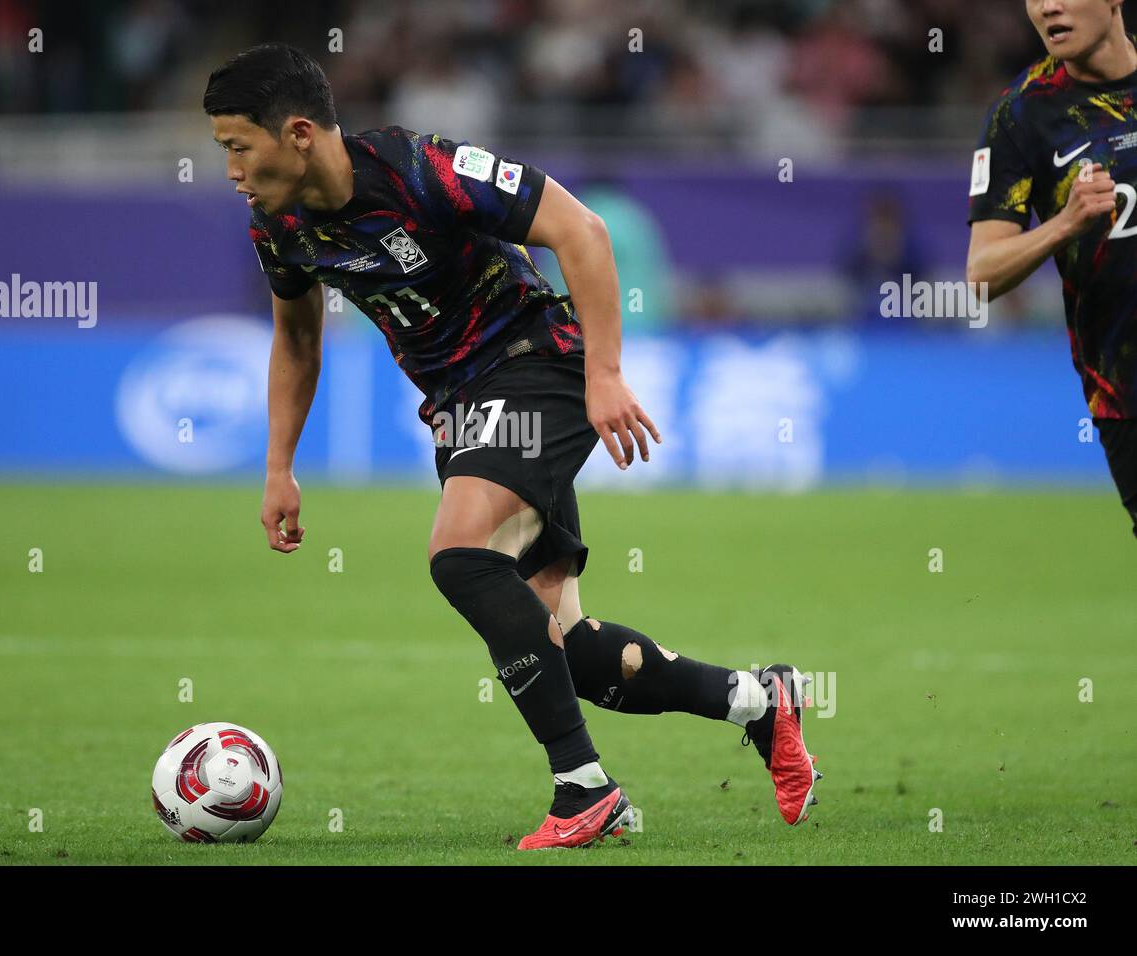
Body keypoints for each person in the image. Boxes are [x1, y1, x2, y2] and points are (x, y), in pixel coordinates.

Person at [205, 43, 819, 849]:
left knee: (459, 553)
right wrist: (278, 467)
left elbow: (581, 229)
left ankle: (584, 789)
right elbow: (296, 338)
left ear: (296, 134)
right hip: (461, 410)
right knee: (571, 649)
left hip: (536, 365)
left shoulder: (422, 169)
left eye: (236, 148)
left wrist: (603, 374)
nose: (230, 171)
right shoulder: (279, 225)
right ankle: (760, 701)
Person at [968, 0, 1137, 535]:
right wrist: (1065, 224)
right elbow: (981, 276)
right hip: (1125, 389)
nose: (1047, 7)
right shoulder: (1020, 115)